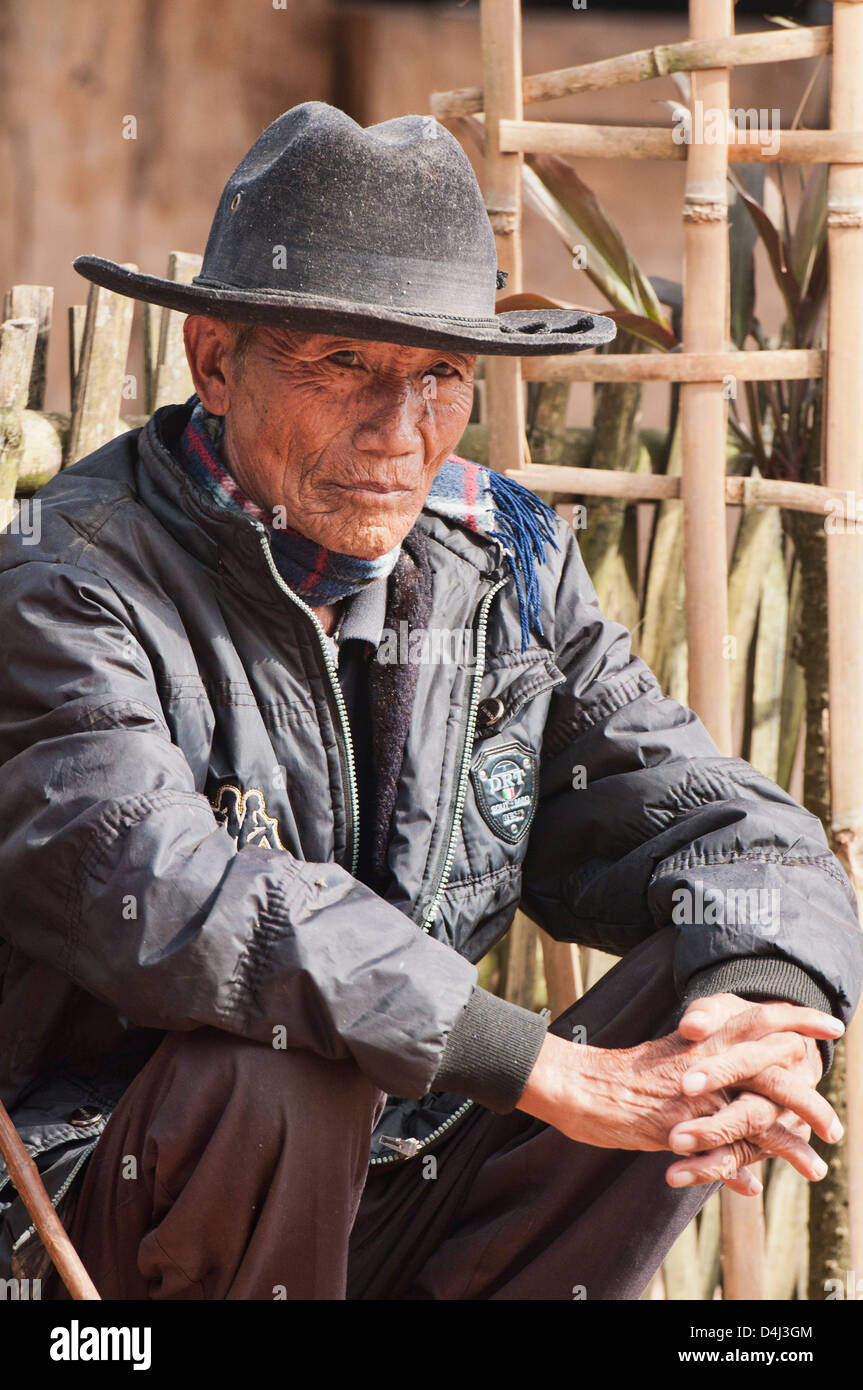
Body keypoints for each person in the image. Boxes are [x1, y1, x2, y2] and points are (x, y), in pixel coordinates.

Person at [0, 102, 859, 1301]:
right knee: (283, 1061)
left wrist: (750, 1020)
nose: (400, 434)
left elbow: (739, 834)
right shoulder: (68, 580)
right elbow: (175, 895)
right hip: (101, 1215)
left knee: (709, 991)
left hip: (391, 1181)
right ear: (213, 359)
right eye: (343, 363)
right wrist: (540, 1067)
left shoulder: (501, 568)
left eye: (440, 375)